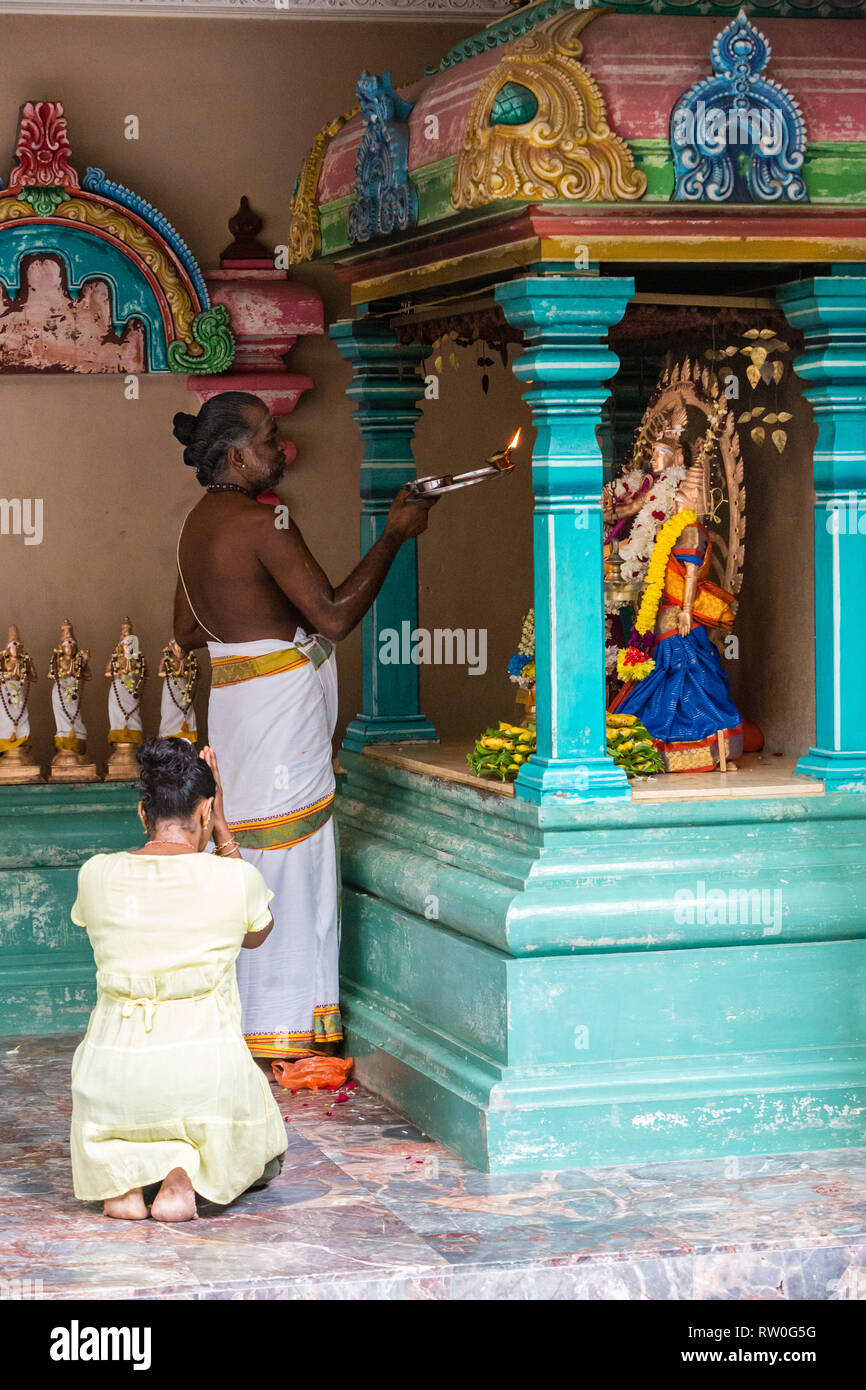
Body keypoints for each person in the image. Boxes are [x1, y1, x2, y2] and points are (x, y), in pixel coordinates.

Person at [171, 393, 435, 1063]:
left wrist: (247, 630)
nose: (281, 448)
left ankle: (241, 1017)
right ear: (234, 455)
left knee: (240, 844)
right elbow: (336, 617)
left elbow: (182, 631)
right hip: (278, 706)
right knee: (291, 850)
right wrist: (396, 533)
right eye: (269, 437)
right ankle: (287, 1027)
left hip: (233, 704)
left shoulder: (195, 527)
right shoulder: (265, 524)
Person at [69, 737, 287, 1222]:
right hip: (201, 1080)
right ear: (206, 810)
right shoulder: (235, 881)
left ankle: (123, 1183)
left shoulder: (96, 875)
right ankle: (185, 1175)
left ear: (143, 813)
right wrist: (224, 830)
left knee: (122, 1120)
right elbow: (260, 932)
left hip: (112, 1082)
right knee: (265, 1152)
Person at [611, 457, 743, 773]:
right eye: (680, 491)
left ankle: (703, 749)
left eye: (686, 494)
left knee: (689, 680)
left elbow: (692, 573)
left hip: (680, 620)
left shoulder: (693, 531)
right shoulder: (675, 530)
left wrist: (685, 611)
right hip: (664, 617)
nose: (681, 497)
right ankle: (660, 747)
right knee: (667, 680)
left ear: (698, 501)